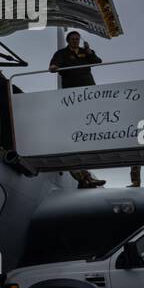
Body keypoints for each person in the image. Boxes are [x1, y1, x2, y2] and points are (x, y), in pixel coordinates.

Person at [50, 32, 107, 188]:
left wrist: (89, 52)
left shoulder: (84, 52)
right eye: (73, 39)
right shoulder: (61, 54)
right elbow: (53, 66)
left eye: (77, 39)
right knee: (72, 127)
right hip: (71, 92)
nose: (75, 41)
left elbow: (97, 61)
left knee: (87, 120)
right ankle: (85, 177)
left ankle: (86, 176)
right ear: (68, 40)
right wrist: (54, 68)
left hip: (88, 89)